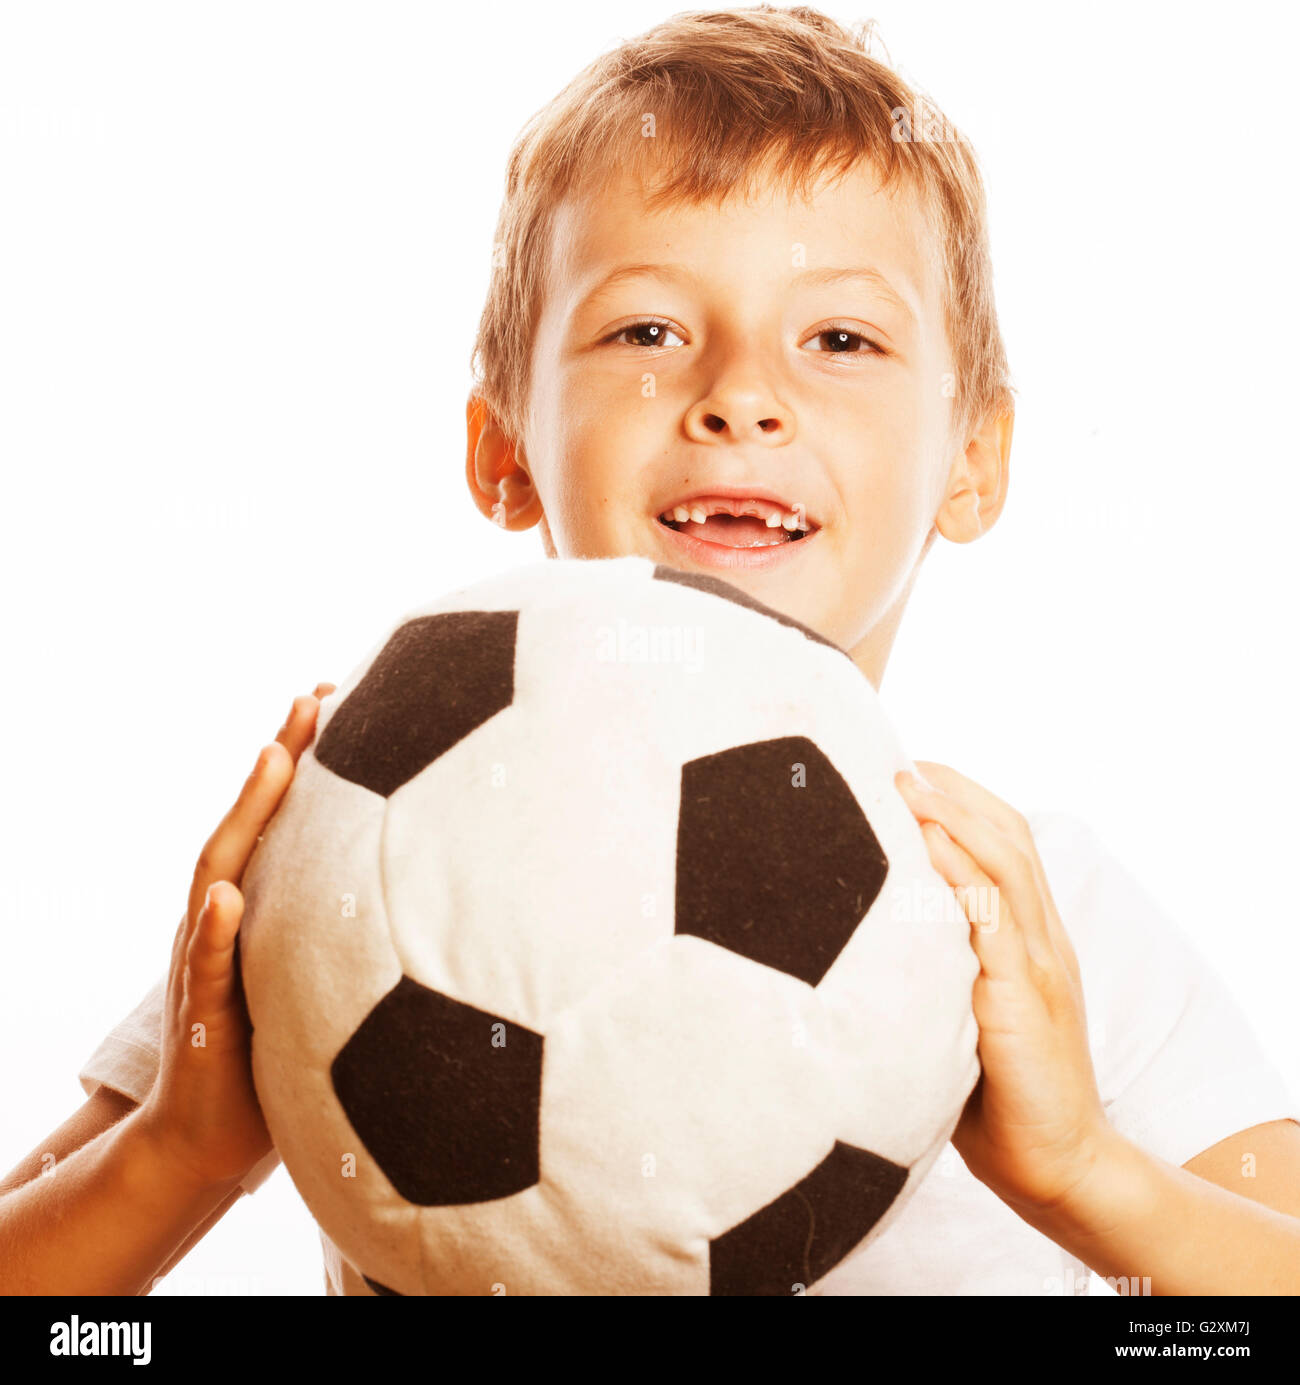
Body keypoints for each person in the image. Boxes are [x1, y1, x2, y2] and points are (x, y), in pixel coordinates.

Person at [4, 6, 1298, 1296]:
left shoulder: (1045, 920)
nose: (740, 391)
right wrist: (180, 1150)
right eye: (647, 332)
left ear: (975, 458)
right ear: (502, 445)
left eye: (840, 338)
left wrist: (1082, 1170)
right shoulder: (362, 859)